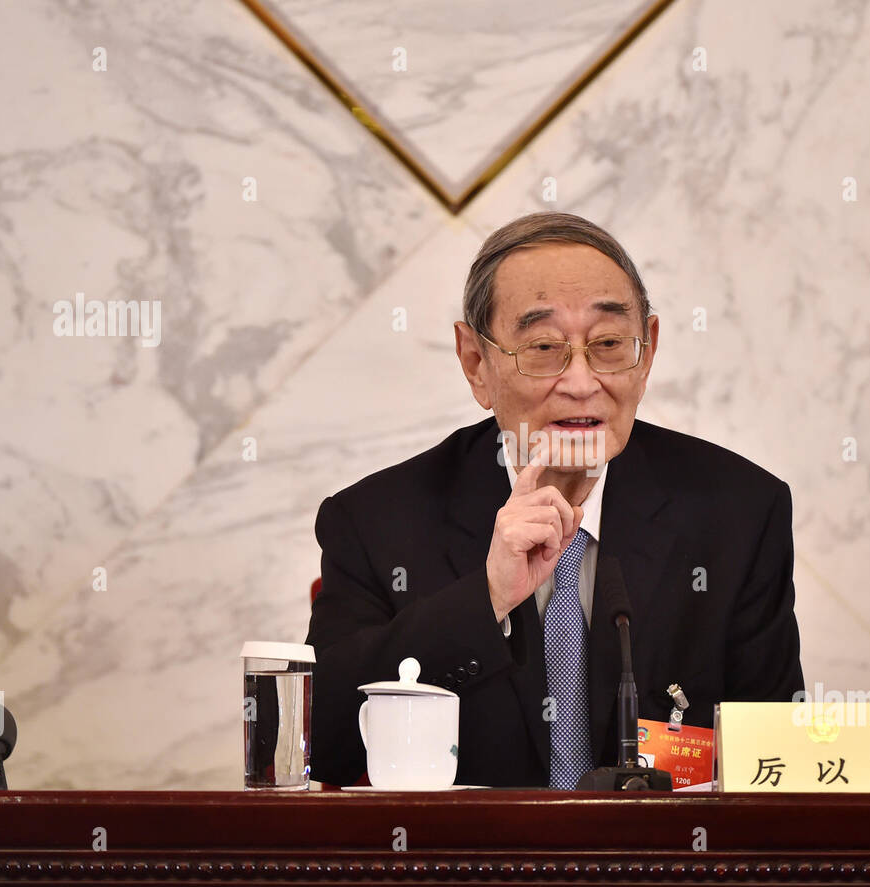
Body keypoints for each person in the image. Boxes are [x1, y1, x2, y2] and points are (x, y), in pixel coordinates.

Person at [306, 212, 803, 788]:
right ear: (476, 363)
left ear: (648, 351)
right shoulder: (378, 522)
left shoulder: (739, 512)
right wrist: (485, 599)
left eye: (610, 344)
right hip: (469, 873)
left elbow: (776, 765)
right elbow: (324, 742)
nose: (582, 382)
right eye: (543, 347)